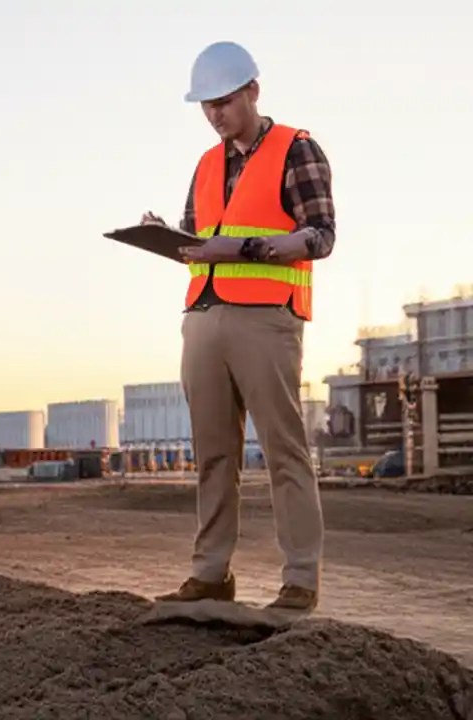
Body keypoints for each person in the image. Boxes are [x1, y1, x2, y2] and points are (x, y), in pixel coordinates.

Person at [142, 40, 336, 611]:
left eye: (223, 103)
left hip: (266, 321)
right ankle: (210, 573)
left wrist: (244, 248)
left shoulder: (296, 149)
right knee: (212, 454)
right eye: (205, 106)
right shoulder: (206, 164)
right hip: (203, 317)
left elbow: (320, 235)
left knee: (284, 451)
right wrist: (165, 237)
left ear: (253, 90)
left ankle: (300, 579)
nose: (214, 115)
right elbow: (194, 240)